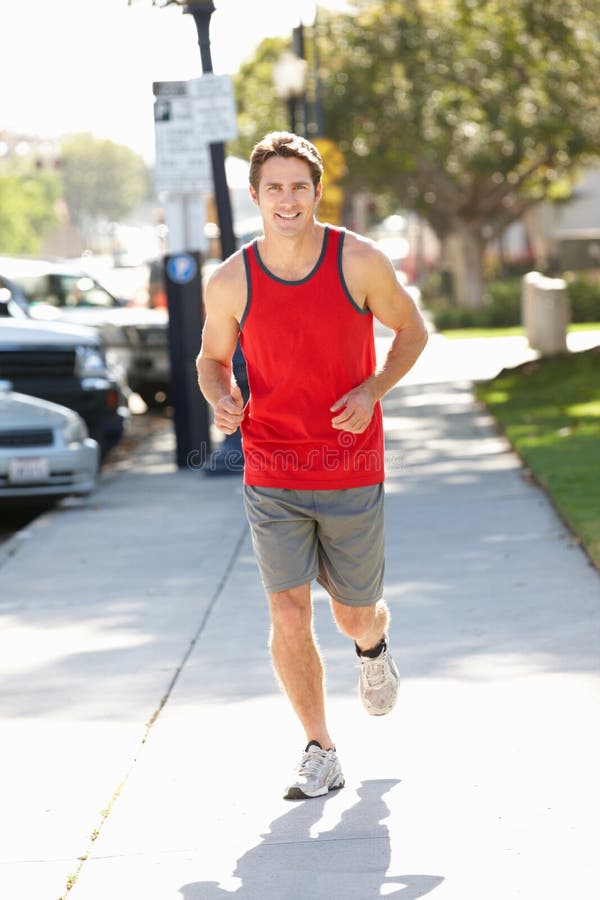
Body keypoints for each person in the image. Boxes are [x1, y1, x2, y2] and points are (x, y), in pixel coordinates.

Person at [196, 132, 428, 800]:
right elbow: (211, 360)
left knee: (353, 616)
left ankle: (374, 646)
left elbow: (411, 331)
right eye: (275, 187)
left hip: (349, 463)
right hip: (272, 467)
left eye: (300, 186)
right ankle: (320, 748)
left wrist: (373, 389)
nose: (288, 200)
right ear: (255, 195)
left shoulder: (358, 261)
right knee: (289, 617)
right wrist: (223, 397)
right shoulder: (231, 279)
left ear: (317, 191)